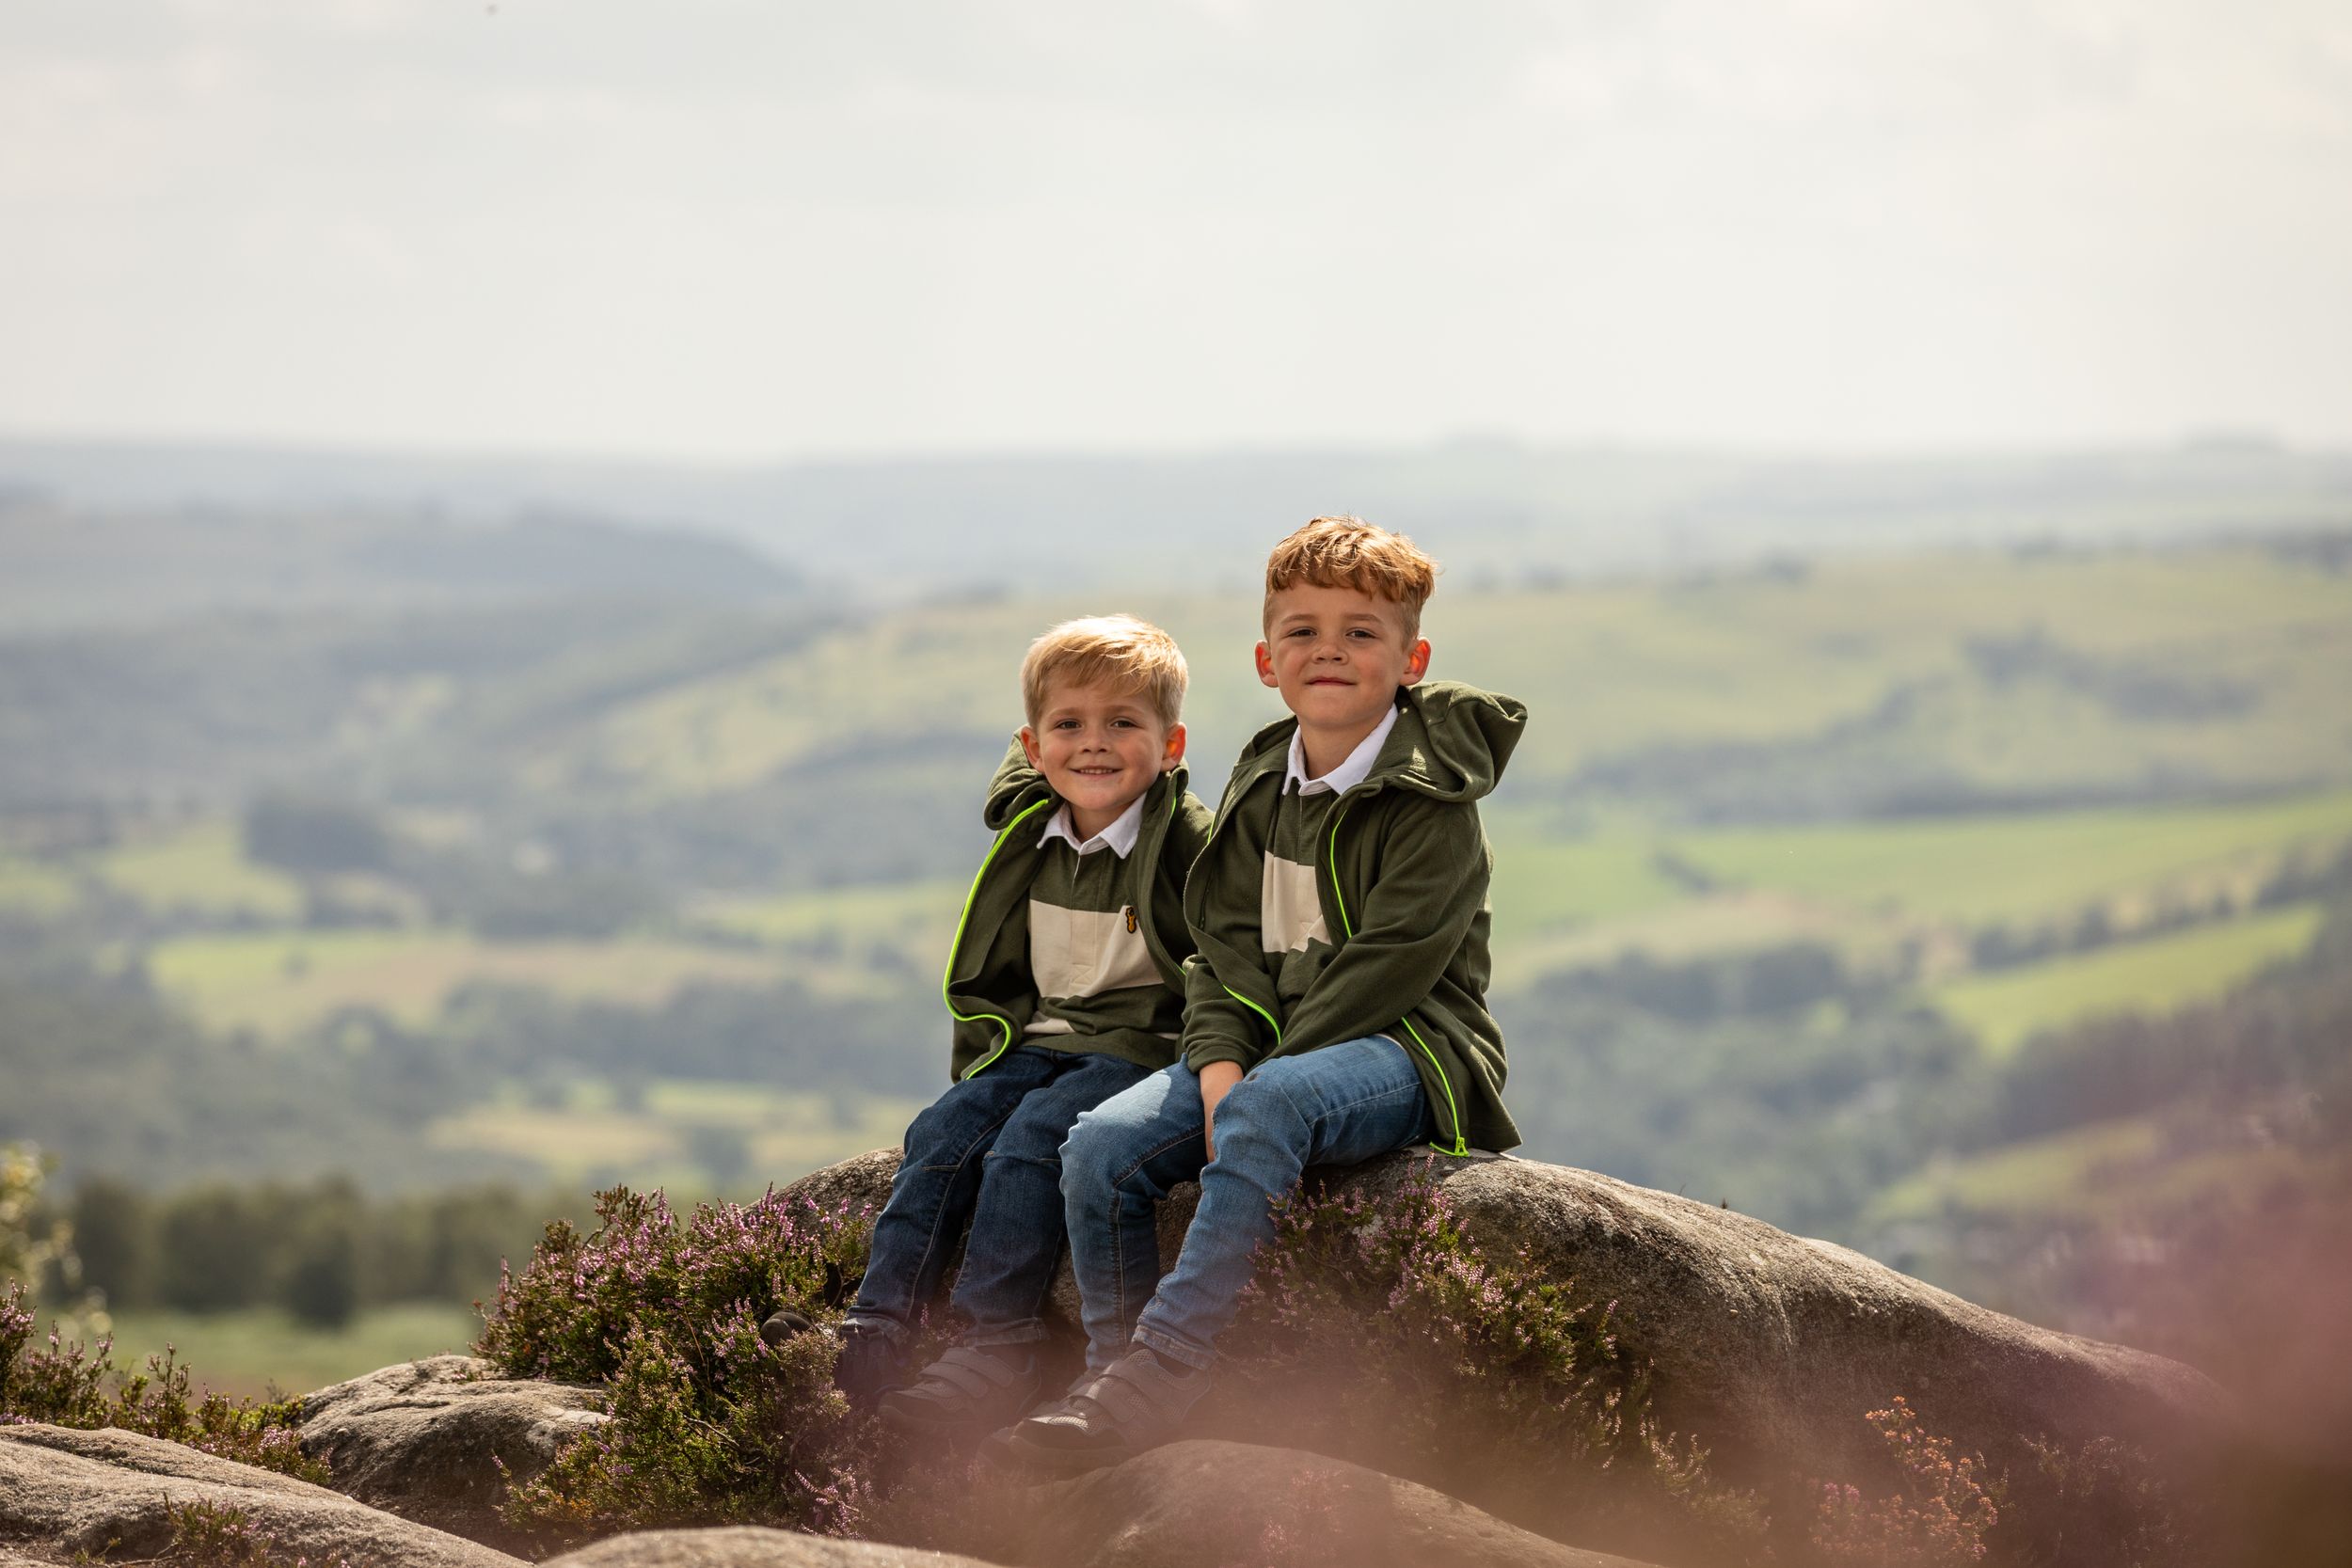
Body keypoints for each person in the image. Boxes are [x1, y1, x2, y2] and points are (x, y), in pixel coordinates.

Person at [987, 516, 1524, 1471]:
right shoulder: (1260, 781)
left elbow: (1388, 966)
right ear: (1266, 659)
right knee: (1101, 1145)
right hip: (1270, 1052)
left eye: (1361, 632)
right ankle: (1116, 1383)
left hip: (1407, 1049)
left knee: (1267, 1104)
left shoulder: (1432, 800)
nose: (1329, 650)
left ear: (1411, 656)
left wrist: (1258, 1085)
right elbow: (1222, 946)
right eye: (1302, 631)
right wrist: (1220, 1063)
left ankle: (1168, 1365)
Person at [797, 614, 1212, 1436]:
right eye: (1069, 725)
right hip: (1040, 1037)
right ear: (1031, 745)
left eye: (1124, 722)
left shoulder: (1187, 840)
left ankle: (998, 1346)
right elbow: (1025, 763)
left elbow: (1227, 952)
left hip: (1140, 1047)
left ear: (1172, 742)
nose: (1094, 744)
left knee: (1032, 1142)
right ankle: (878, 1324)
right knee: (943, 1130)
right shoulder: (1034, 827)